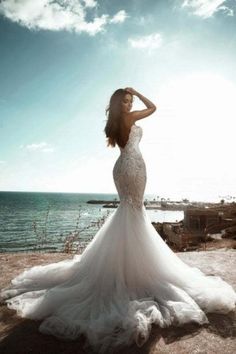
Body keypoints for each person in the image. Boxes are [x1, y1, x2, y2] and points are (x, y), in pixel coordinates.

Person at [1, 88, 236, 354]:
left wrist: (129, 97)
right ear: (119, 103)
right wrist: (137, 91)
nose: (129, 104)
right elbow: (155, 107)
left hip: (122, 166)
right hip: (134, 166)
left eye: (130, 101)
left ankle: (127, 267)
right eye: (125, 101)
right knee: (134, 211)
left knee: (130, 211)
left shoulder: (113, 123)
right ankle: (133, 270)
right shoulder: (131, 117)